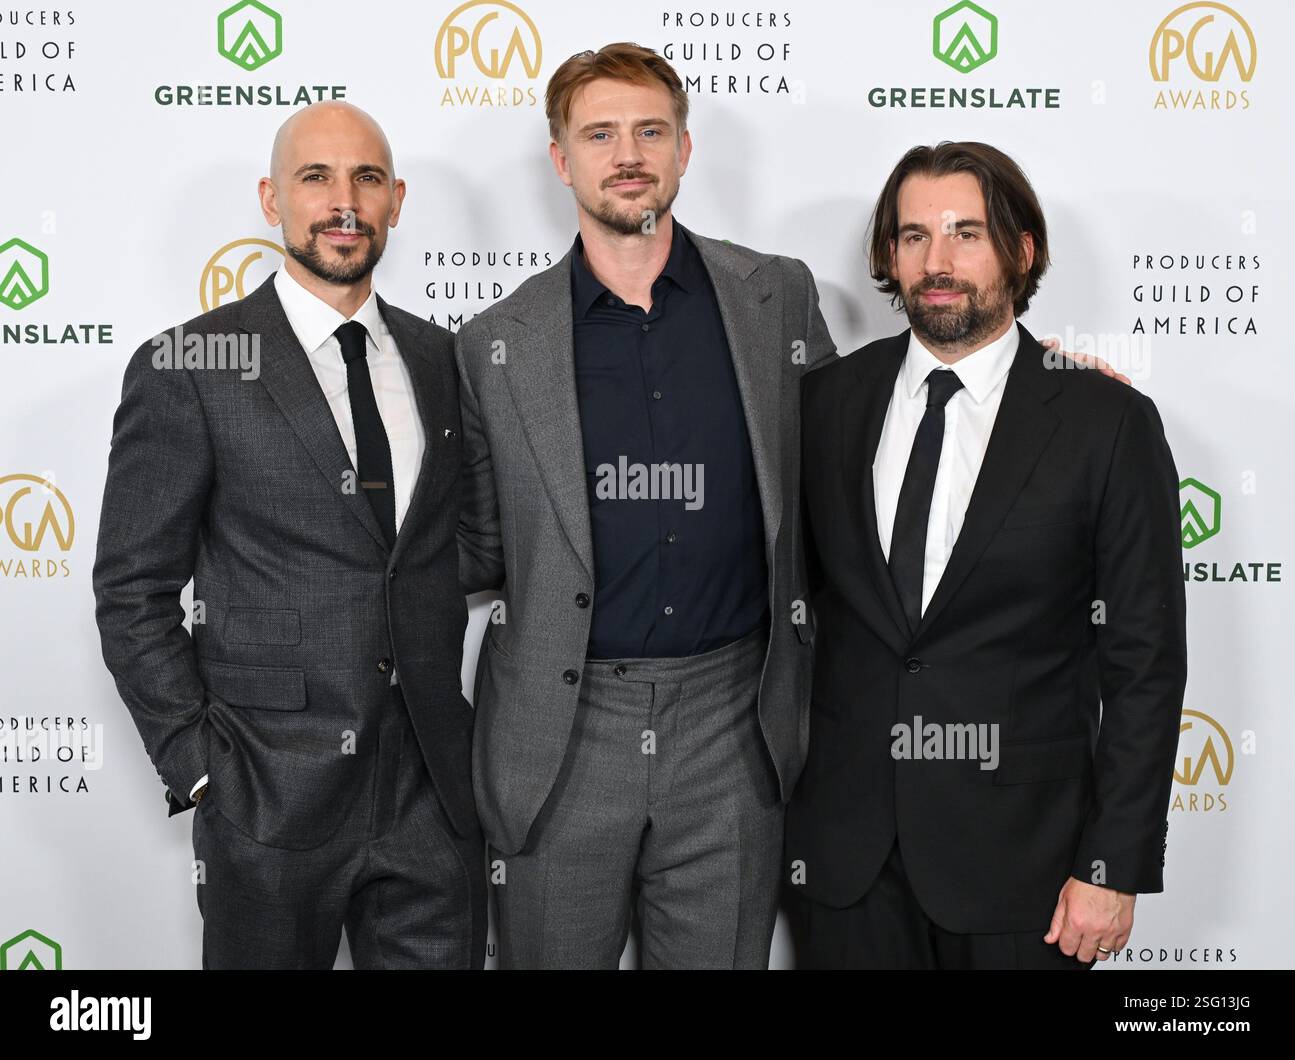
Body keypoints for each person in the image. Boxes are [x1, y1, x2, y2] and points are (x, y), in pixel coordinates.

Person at [455, 43, 836, 968]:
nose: (628, 153)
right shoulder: (491, 345)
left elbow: (850, 461)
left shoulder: (773, 296)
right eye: (600, 133)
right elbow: (470, 542)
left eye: (649, 130)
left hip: (732, 722)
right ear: (561, 159)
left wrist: (1038, 394)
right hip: (562, 730)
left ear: (684, 148)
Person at [92, 101, 485, 969]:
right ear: (272, 199)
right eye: (316, 178)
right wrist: (203, 770)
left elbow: (453, 547)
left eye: (367, 179)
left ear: (396, 201)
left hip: (433, 794)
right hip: (267, 799)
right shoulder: (189, 366)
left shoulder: (440, 359)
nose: (343, 201)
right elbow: (132, 591)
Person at [785, 141, 1187, 969]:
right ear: (889, 257)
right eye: (913, 236)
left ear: (1021, 250)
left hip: (1027, 872)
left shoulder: (1105, 422)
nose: (938, 261)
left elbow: (1144, 662)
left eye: (967, 233)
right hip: (846, 864)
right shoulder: (824, 403)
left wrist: (1110, 866)